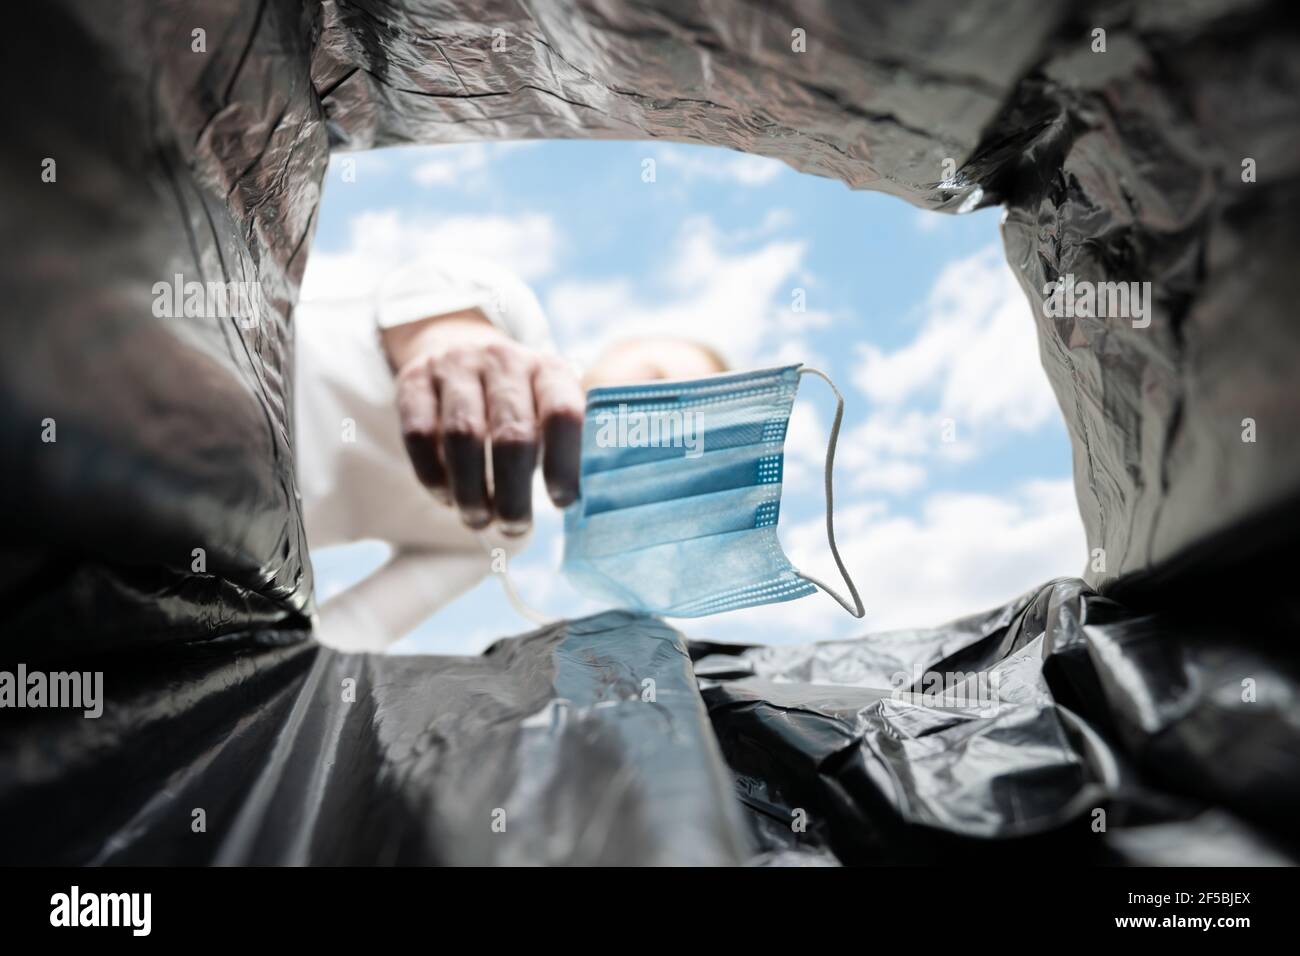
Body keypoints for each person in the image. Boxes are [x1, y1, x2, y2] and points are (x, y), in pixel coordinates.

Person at [295, 255, 725, 651]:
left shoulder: (501, 533)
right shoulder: (502, 304)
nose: (645, 407)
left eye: (670, 422)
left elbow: (350, 630)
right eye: (655, 377)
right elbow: (437, 325)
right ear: (624, 348)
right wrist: (456, 343)